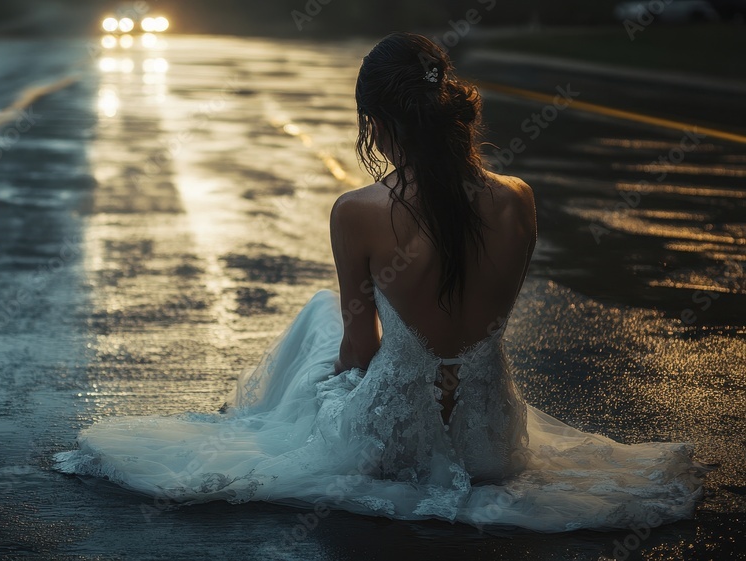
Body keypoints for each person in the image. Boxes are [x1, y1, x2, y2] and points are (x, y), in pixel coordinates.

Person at [54, 32, 713, 532]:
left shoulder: (359, 211)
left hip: (389, 442)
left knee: (321, 322)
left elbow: (359, 346)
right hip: (493, 443)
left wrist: (323, 388)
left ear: (375, 121)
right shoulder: (517, 198)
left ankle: (266, 413)